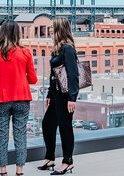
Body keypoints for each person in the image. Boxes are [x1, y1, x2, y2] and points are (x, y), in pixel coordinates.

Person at [0, 20, 38, 176]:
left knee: (2, 137)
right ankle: (19, 171)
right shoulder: (25, 53)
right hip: (22, 98)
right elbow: (33, 80)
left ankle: (3, 172)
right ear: (17, 34)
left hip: (0, 99)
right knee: (20, 135)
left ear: (1, 33)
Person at [38, 17, 79, 175]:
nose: (49, 30)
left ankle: (68, 161)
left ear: (59, 30)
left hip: (65, 96)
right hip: (55, 94)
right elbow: (54, 74)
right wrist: (49, 93)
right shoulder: (58, 48)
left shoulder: (68, 49)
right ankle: (50, 158)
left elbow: (73, 75)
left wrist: (72, 98)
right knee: (47, 124)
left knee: (65, 128)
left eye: (52, 28)